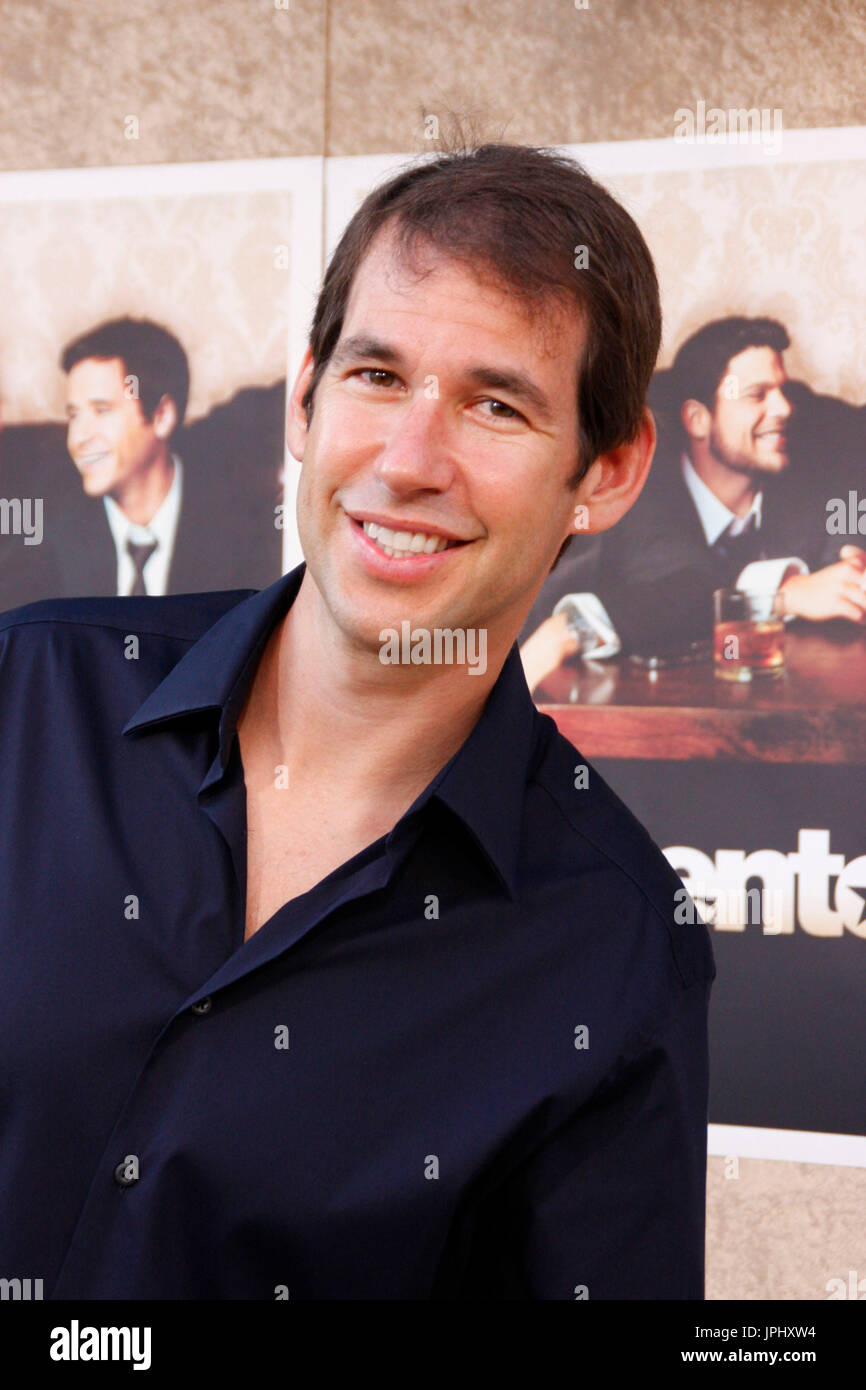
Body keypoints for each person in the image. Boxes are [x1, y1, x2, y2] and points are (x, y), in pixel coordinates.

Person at [0, 141, 714, 1300]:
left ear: (611, 468)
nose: (407, 460)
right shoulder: (28, 698)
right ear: (303, 396)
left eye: (494, 404)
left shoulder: (615, 945)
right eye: (378, 377)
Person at [520, 316, 866, 688]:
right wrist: (783, 594)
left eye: (782, 391)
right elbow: (673, 584)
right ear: (698, 420)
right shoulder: (632, 487)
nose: (784, 408)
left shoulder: (823, 457)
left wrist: (849, 558)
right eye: (757, 395)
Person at [55, 317, 277, 596]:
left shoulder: (242, 531)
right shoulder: (56, 539)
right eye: (74, 415)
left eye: (102, 410)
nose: (79, 438)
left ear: (162, 416)